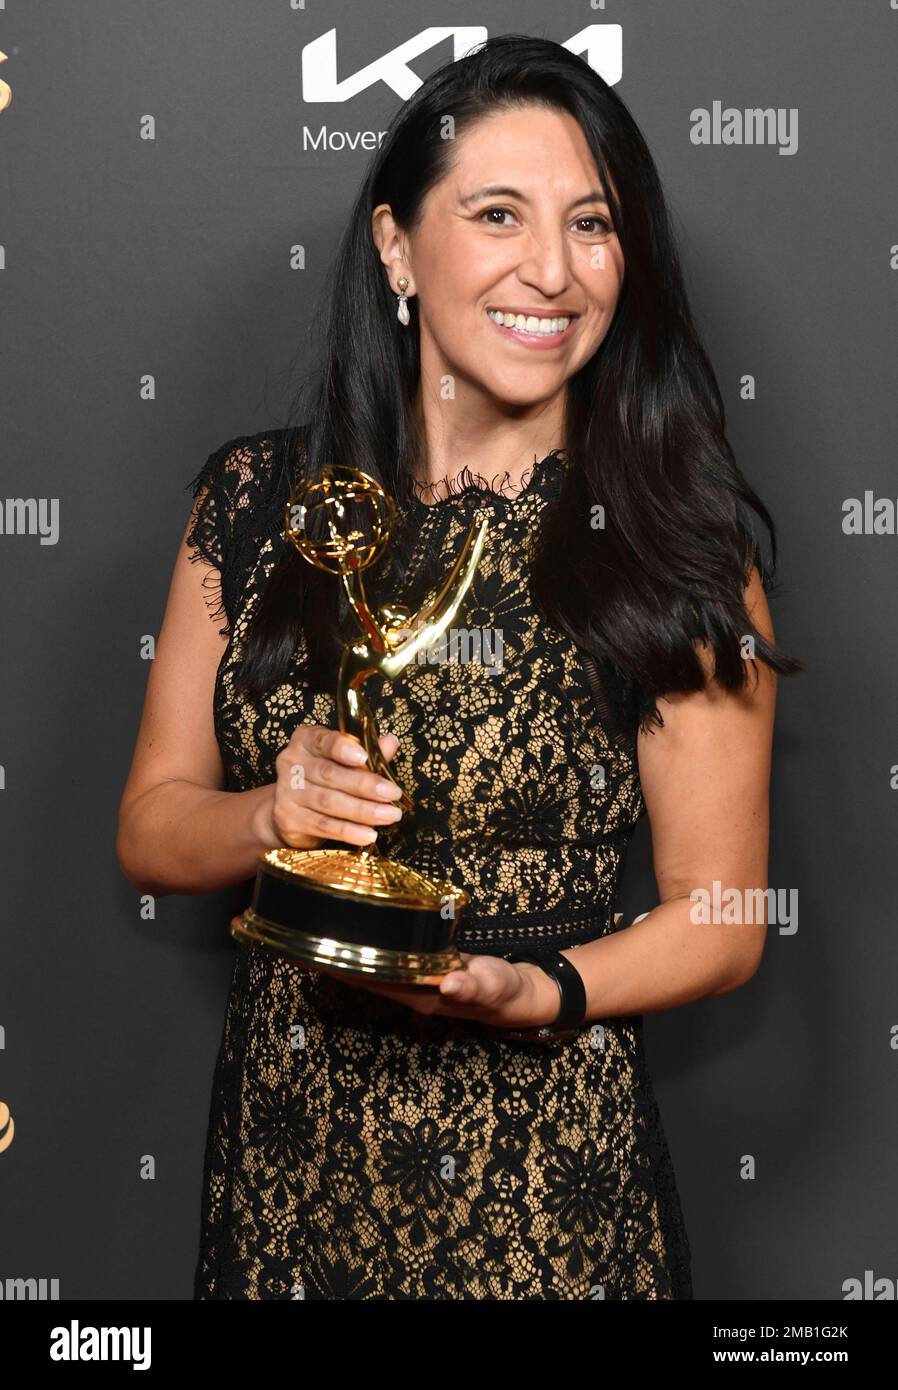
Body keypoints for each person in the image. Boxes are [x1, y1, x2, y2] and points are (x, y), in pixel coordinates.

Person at [117, 34, 801, 1300]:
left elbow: (723, 918)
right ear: (396, 247)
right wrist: (274, 811)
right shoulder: (261, 500)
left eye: (591, 224)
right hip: (291, 1166)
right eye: (498, 215)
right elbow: (154, 829)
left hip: (541, 1186)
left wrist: (541, 988)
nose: (552, 269)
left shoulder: (674, 545)